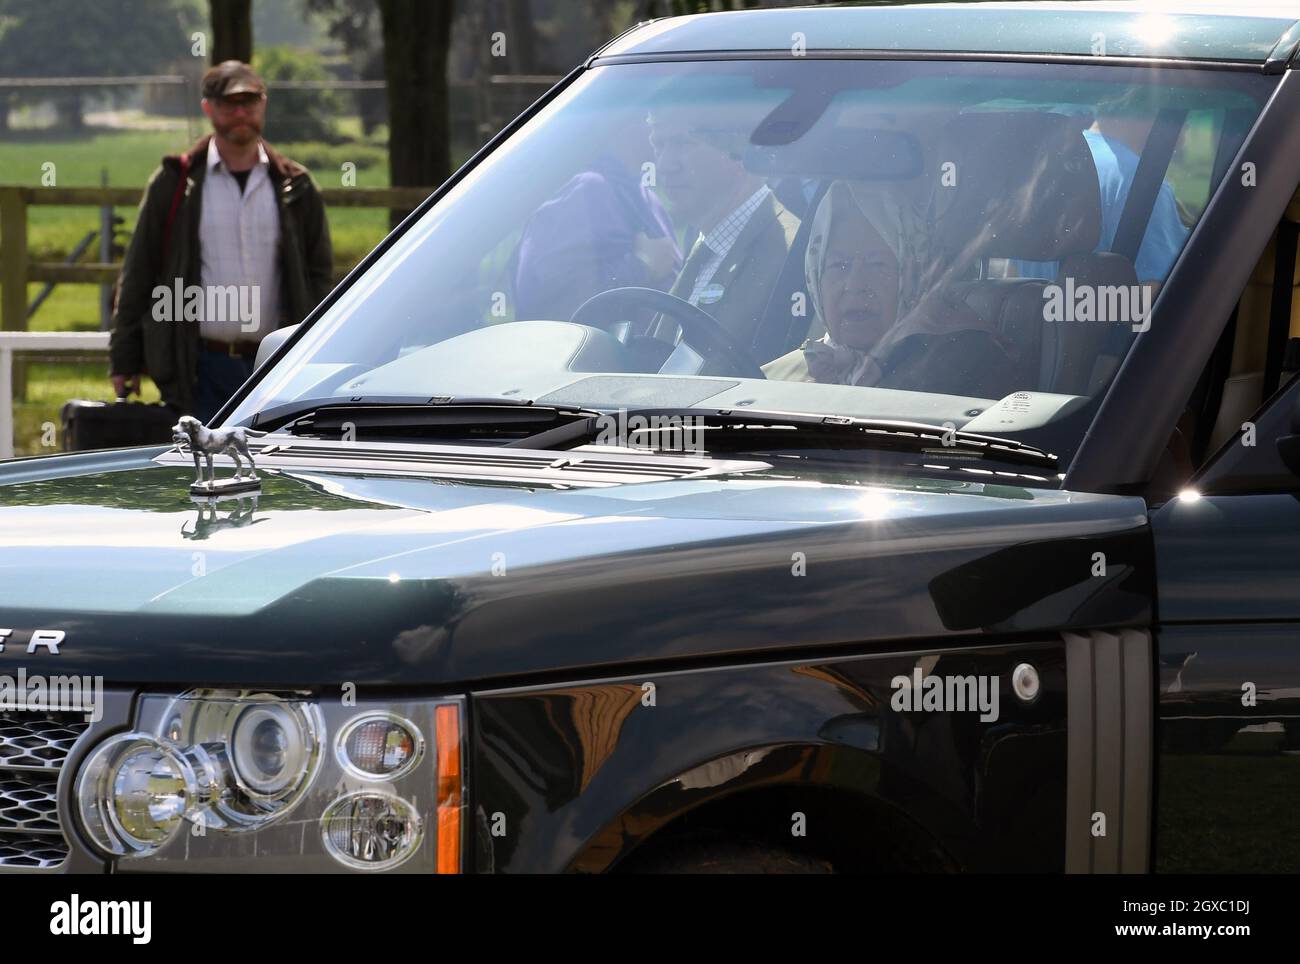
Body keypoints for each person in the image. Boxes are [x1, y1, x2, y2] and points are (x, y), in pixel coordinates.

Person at [109, 61, 333, 423]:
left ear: (264, 103)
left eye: (251, 101)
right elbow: (138, 274)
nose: (241, 112)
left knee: (278, 476)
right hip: (199, 367)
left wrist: (321, 354)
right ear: (208, 108)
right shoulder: (174, 184)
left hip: (276, 365)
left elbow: (320, 278)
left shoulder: (297, 187)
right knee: (203, 475)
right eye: (230, 104)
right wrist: (124, 359)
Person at [762, 180, 1014, 398]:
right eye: (839, 266)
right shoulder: (774, 381)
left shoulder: (967, 363)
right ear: (815, 278)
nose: (855, 285)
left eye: (876, 265)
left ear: (913, 274)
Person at [645, 93, 799, 346]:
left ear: (739, 148)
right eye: (658, 145)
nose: (665, 165)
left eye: (683, 143)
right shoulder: (706, 246)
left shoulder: (792, 256)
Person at [511, 115, 682, 321]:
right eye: (648, 116)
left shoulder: (648, 198)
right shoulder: (587, 190)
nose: (657, 125)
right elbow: (552, 302)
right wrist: (641, 265)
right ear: (624, 124)